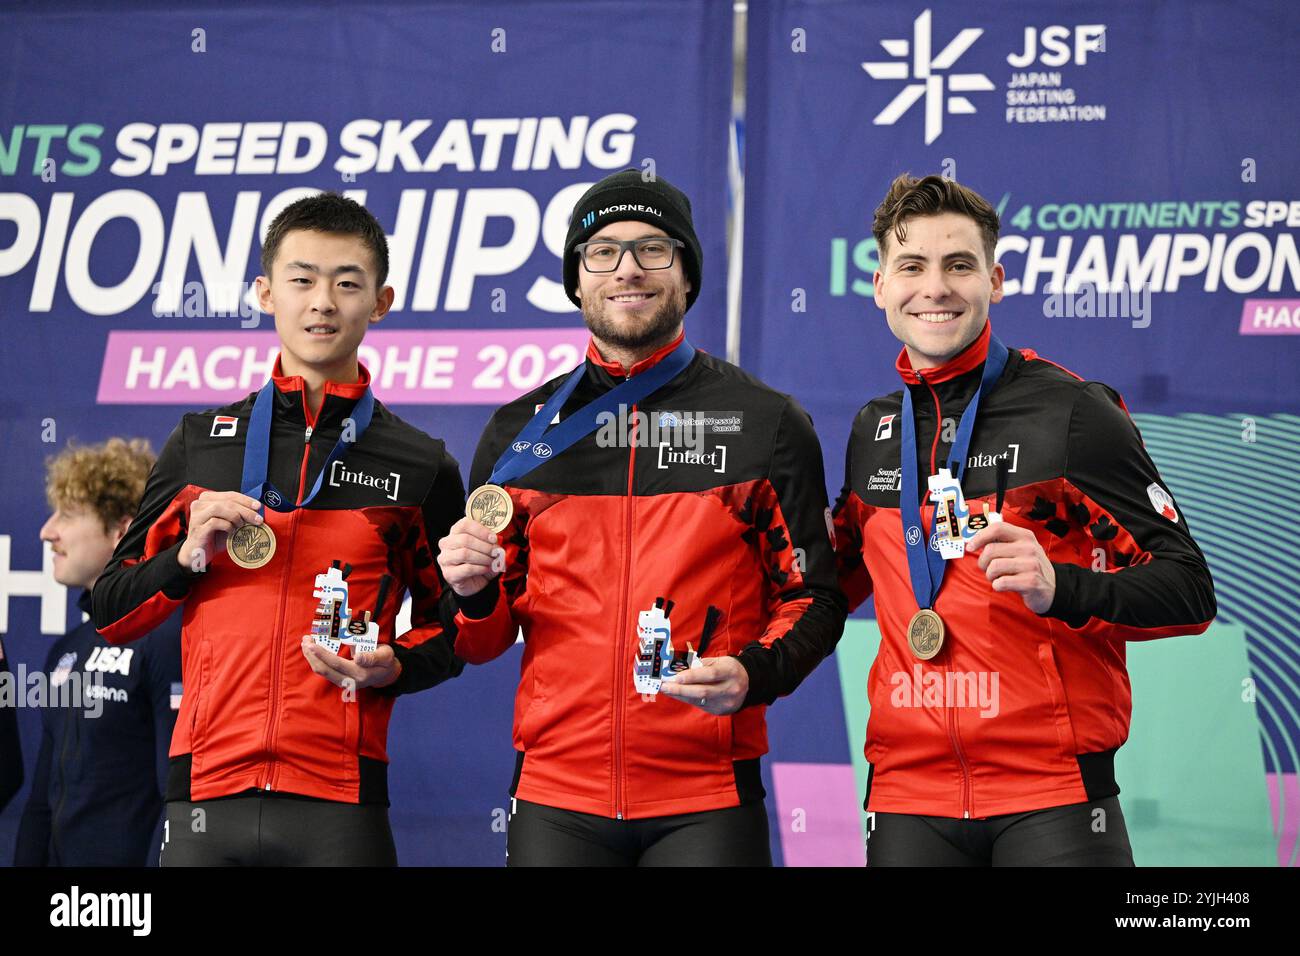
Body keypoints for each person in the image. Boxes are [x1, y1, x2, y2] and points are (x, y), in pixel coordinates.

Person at [437, 169, 847, 866]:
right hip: (554, 797)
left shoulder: (765, 423)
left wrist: (754, 672)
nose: (628, 269)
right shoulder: (520, 432)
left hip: (706, 797)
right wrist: (472, 594)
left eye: (655, 249)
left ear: (687, 275)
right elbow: (479, 642)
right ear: (576, 281)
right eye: (602, 252)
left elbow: (815, 597)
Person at [832, 173, 1217, 866]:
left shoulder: (1072, 413)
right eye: (912, 266)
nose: (936, 287)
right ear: (881, 286)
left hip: (1053, 798)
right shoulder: (875, 430)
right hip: (905, 799)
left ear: (997, 280)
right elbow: (831, 586)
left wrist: (1060, 588)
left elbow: (1189, 591)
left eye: (959, 265)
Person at [92, 193, 466, 866]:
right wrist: (183, 557)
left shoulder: (421, 463)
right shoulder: (201, 444)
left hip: (342, 801)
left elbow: (460, 626)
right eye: (301, 279)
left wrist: (398, 665)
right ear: (266, 292)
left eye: (346, 282)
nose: (322, 301)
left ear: (379, 302)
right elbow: (110, 610)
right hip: (205, 794)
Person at [13, 438, 181, 866]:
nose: (47, 531)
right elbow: (39, 806)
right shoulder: (66, 652)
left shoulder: (166, 640)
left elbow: (177, 800)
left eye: (68, 515)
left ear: (122, 531)